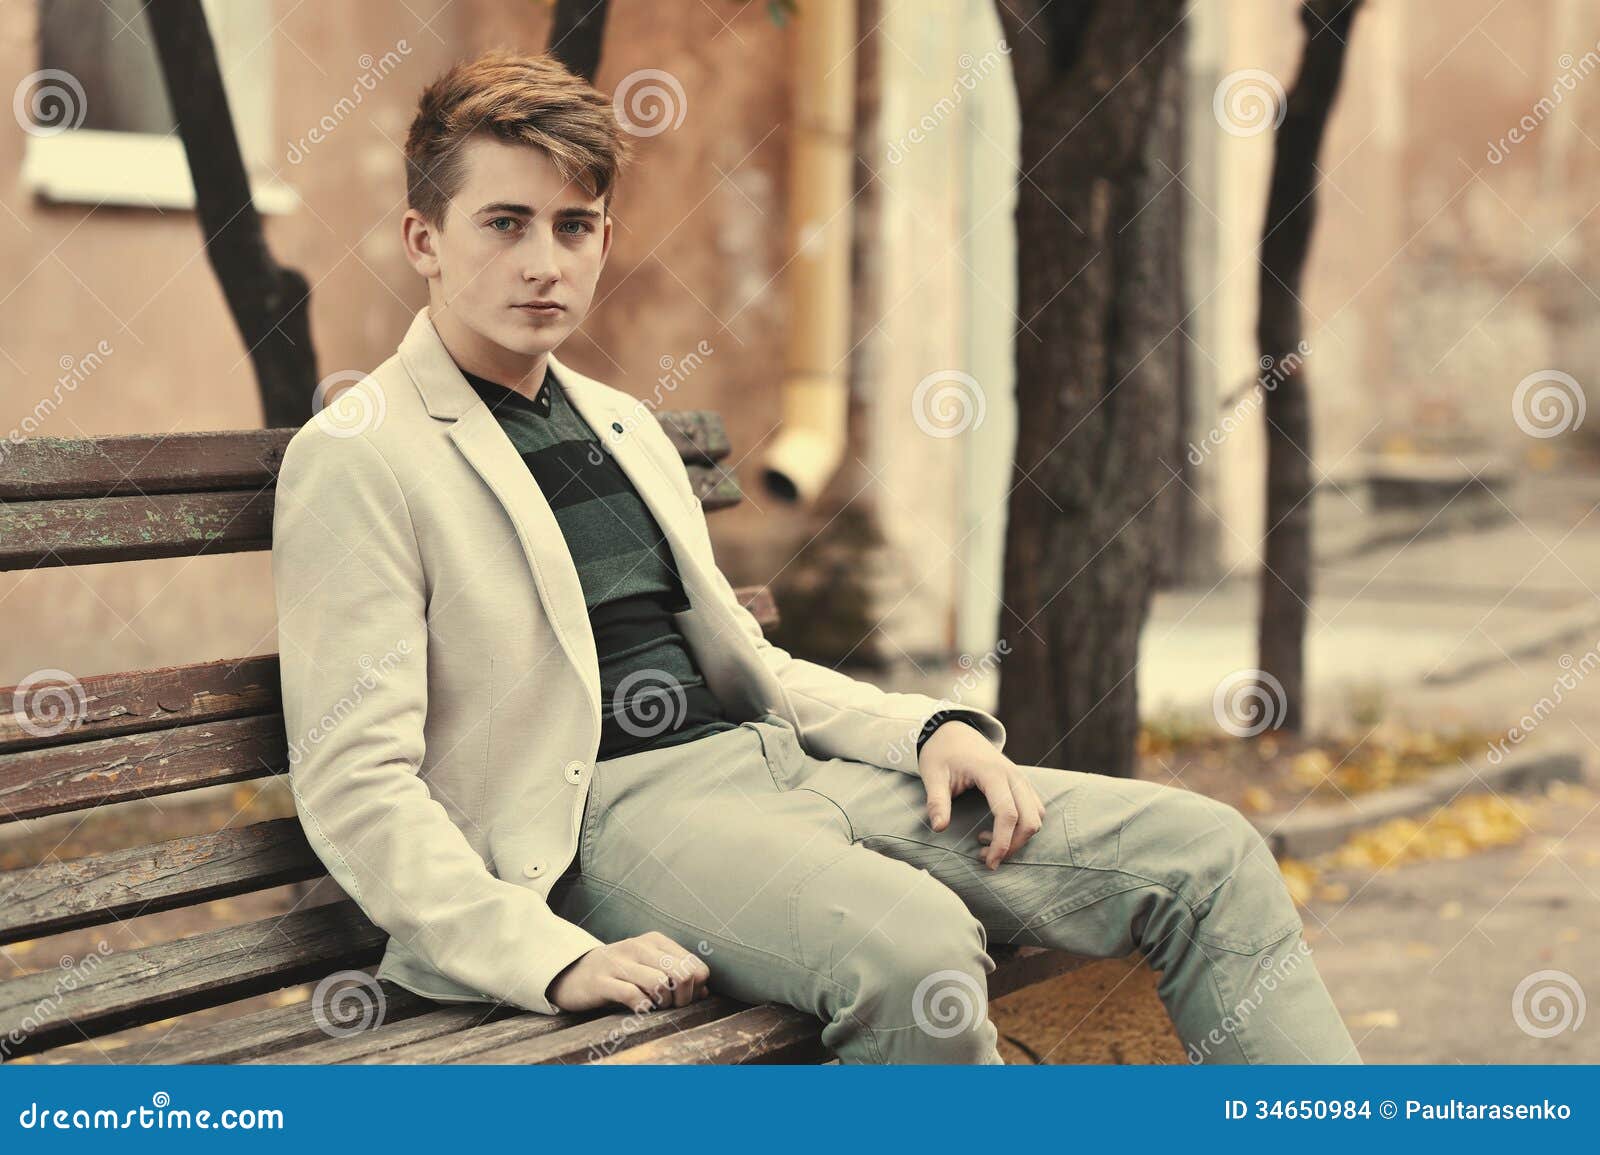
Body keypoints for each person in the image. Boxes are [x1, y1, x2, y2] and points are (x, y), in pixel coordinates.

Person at [272, 48, 1360, 1065]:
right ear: (424, 239)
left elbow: (750, 661)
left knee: (1205, 851)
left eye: (573, 226)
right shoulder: (364, 454)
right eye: (502, 224)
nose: (543, 263)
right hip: (605, 821)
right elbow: (357, 781)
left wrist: (922, 728)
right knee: (917, 955)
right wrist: (543, 956)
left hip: (781, 769)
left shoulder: (616, 424)